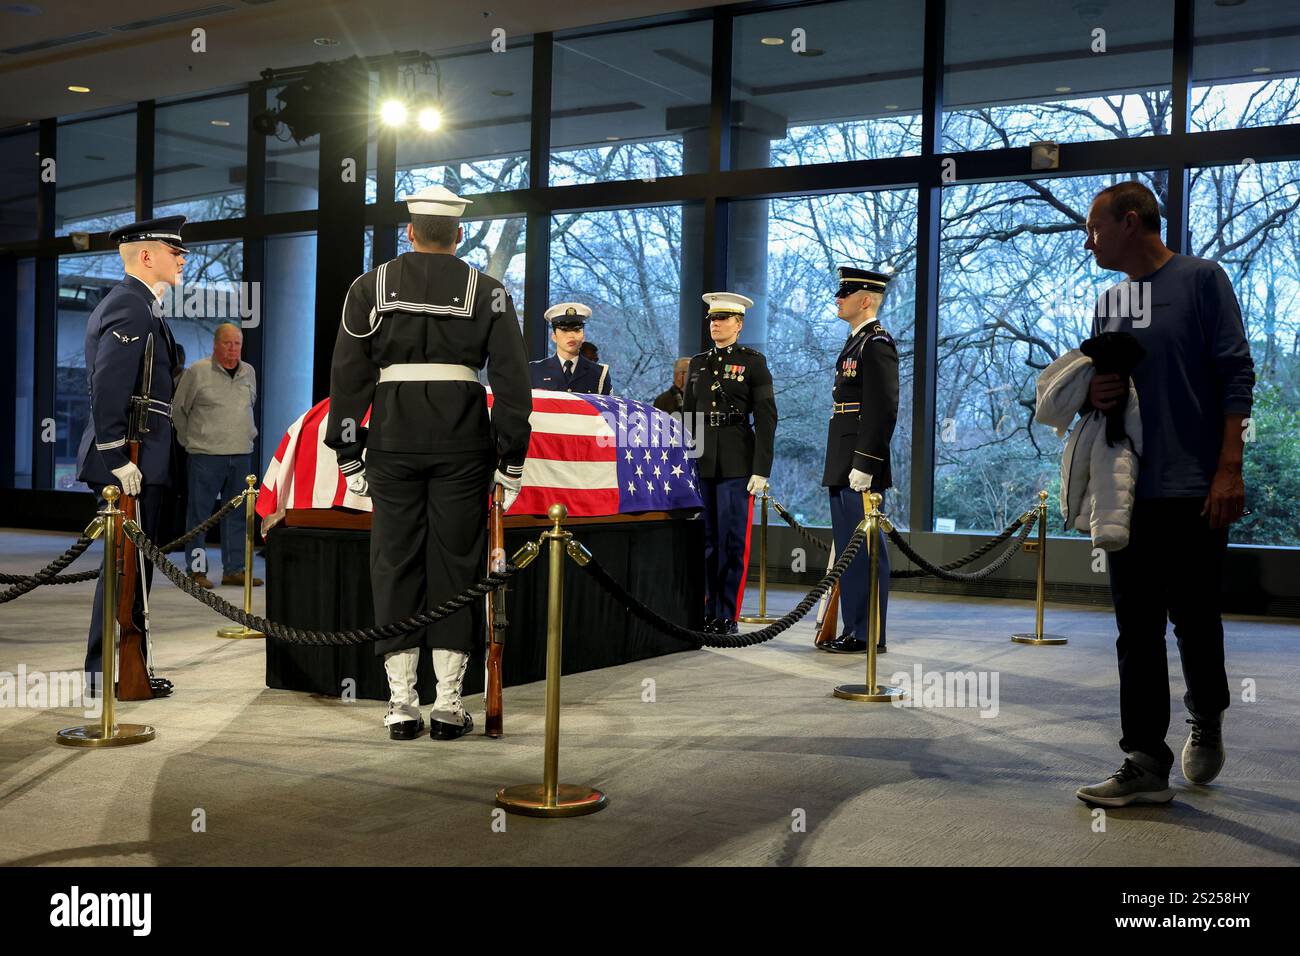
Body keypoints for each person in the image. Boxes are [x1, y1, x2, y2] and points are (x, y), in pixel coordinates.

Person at [324, 185, 532, 742]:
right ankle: (446, 705)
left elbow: (348, 376)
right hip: (463, 442)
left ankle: (399, 705)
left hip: (392, 438)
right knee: (455, 565)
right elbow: (512, 383)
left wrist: (348, 450)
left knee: (393, 561)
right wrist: (511, 456)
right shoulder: (488, 291)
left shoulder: (369, 288)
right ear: (459, 234)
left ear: (410, 232)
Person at [1074, 181, 1254, 807]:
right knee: (1135, 627)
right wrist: (1097, 395)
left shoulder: (1203, 280)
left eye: (1095, 227)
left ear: (1130, 221)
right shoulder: (1109, 300)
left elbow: (1236, 373)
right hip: (1129, 492)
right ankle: (1144, 759)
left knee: (1196, 621)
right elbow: (1104, 386)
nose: (1088, 239)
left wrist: (1228, 469)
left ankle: (1206, 715)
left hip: (1196, 487)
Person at [75, 216, 187, 698]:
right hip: (130, 457)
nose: (182, 258)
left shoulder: (142, 306)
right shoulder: (130, 306)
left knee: (129, 568)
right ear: (146, 255)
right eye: (173, 250)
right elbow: (108, 387)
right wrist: (117, 456)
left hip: (144, 452)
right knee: (124, 569)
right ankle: (109, 670)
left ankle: (119, 666)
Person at [683, 293, 777, 636]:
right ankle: (706, 608)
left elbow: (766, 418)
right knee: (706, 539)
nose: (715, 324)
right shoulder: (698, 363)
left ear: (739, 325)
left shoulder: (753, 362)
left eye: (723, 319)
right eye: (712, 319)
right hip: (703, 460)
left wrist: (761, 468)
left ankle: (727, 612)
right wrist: (688, 462)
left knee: (732, 540)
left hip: (738, 459)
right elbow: (690, 416)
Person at [820, 266, 898, 655]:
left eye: (845, 292)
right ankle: (854, 628)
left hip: (859, 463)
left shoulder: (876, 343)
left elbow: (883, 409)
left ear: (865, 300)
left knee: (865, 551)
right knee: (848, 549)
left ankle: (868, 633)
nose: (838, 298)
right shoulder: (855, 342)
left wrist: (865, 463)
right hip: (844, 457)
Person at [172, 323, 260, 588]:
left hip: (241, 454)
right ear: (216, 344)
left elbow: (249, 405)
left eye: (237, 344)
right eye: (227, 343)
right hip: (205, 456)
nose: (233, 349)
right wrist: (190, 441)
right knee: (199, 516)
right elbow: (178, 410)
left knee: (237, 516)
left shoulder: (249, 372)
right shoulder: (197, 372)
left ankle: (234, 570)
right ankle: (197, 571)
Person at [528, 303, 613, 395]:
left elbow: (607, 408)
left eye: (577, 330)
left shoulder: (599, 373)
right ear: (554, 337)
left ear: (583, 336)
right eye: (564, 330)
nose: (571, 336)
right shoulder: (534, 371)